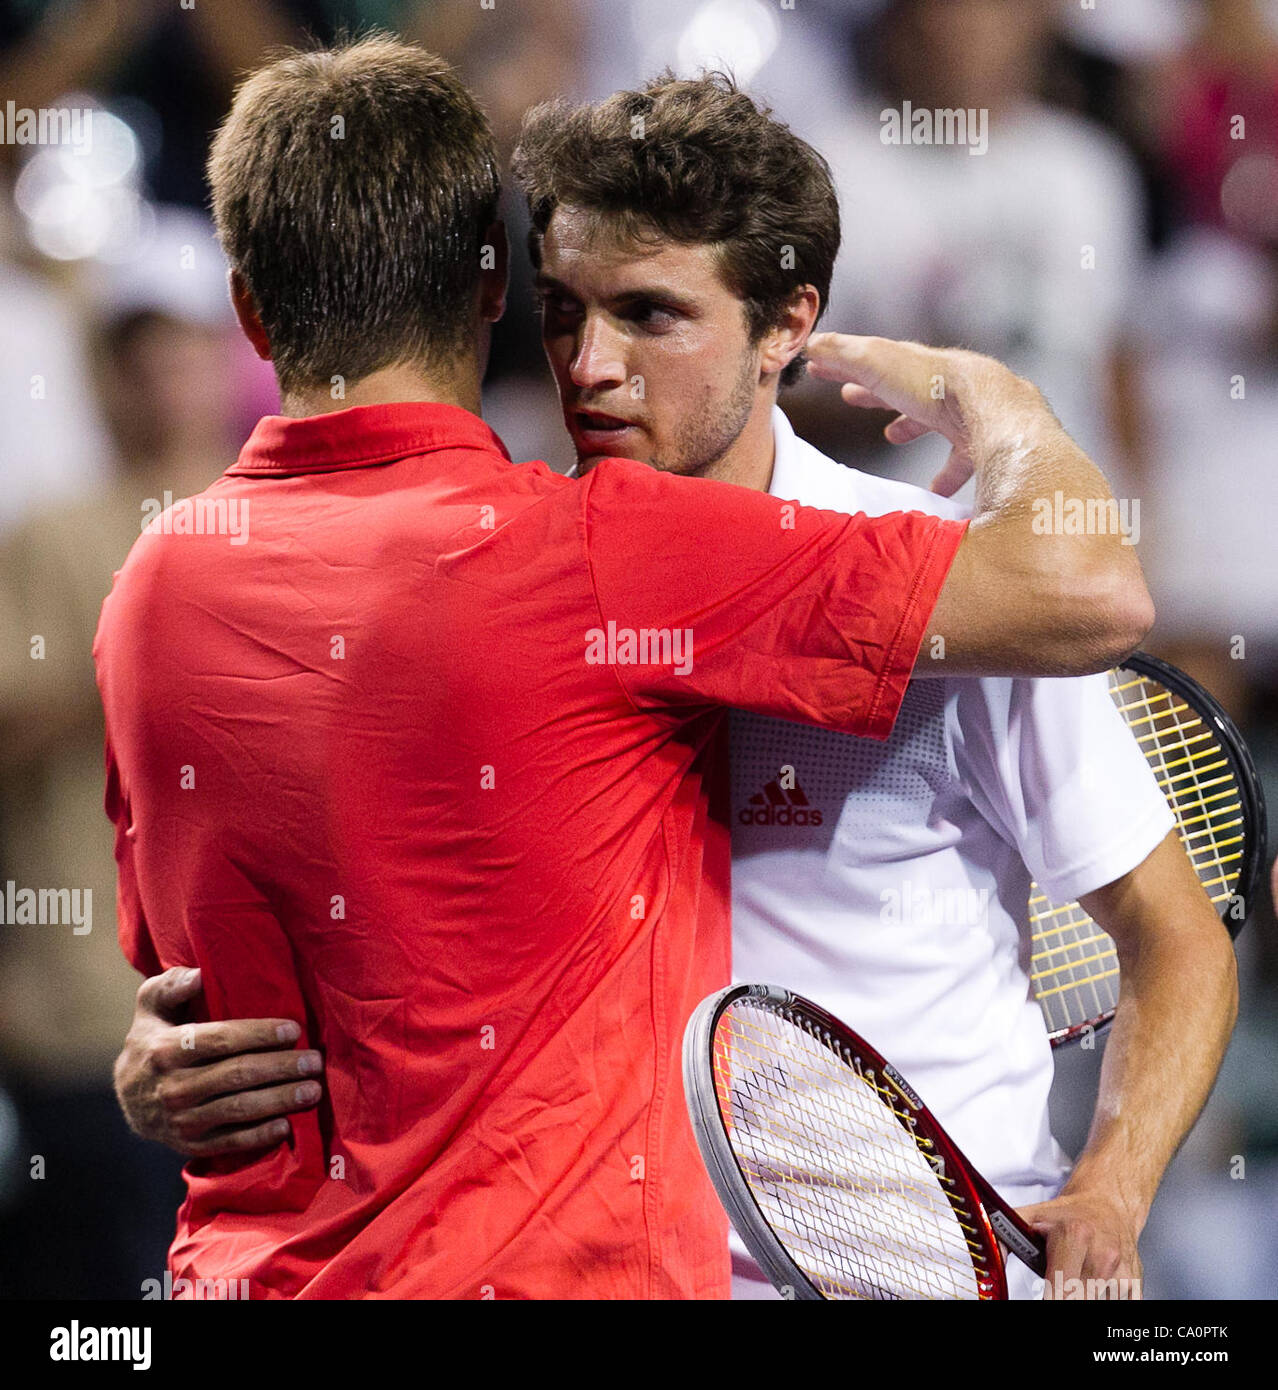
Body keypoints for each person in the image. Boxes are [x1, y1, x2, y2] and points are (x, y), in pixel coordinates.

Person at [96, 39, 1151, 1300]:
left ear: (248, 313)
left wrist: (148, 1063)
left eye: (648, 312)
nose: (593, 363)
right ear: (495, 291)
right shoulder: (600, 552)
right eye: (564, 310)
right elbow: (1092, 589)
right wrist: (1008, 404)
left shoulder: (149, 587)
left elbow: (201, 983)